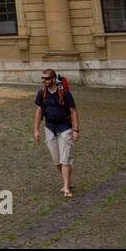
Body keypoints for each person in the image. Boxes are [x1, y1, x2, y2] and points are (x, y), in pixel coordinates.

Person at [34, 69, 79, 198]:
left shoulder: (65, 93)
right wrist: (36, 130)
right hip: (49, 129)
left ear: (53, 79)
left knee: (65, 160)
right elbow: (38, 112)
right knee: (57, 161)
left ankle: (66, 187)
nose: (44, 81)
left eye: (47, 78)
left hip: (65, 128)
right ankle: (68, 179)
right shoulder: (41, 93)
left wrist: (76, 130)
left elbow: (74, 111)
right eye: (42, 78)